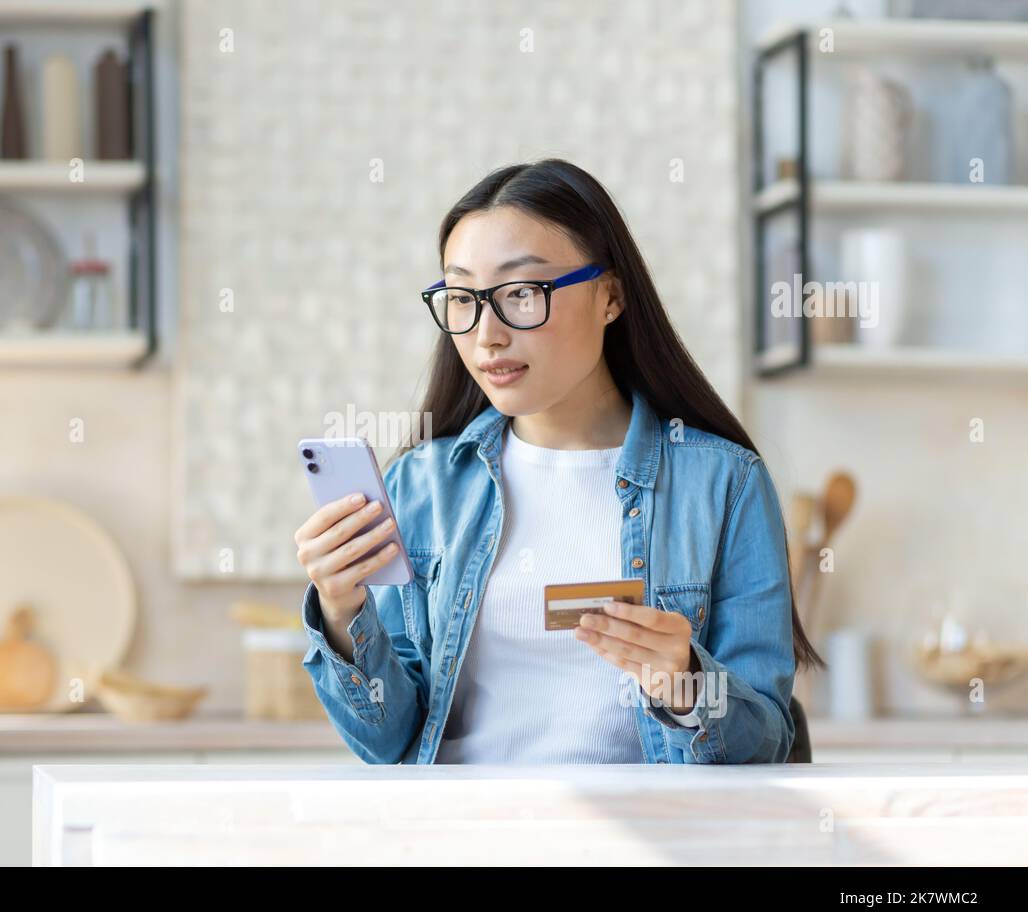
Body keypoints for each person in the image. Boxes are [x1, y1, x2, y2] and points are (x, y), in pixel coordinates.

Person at [294, 158, 820, 765]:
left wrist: (685, 683)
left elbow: (767, 744)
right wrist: (341, 612)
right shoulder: (424, 486)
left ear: (610, 297)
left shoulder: (725, 486)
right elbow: (386, 742)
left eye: (522, 293)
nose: (486, 334)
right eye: (463, 297)